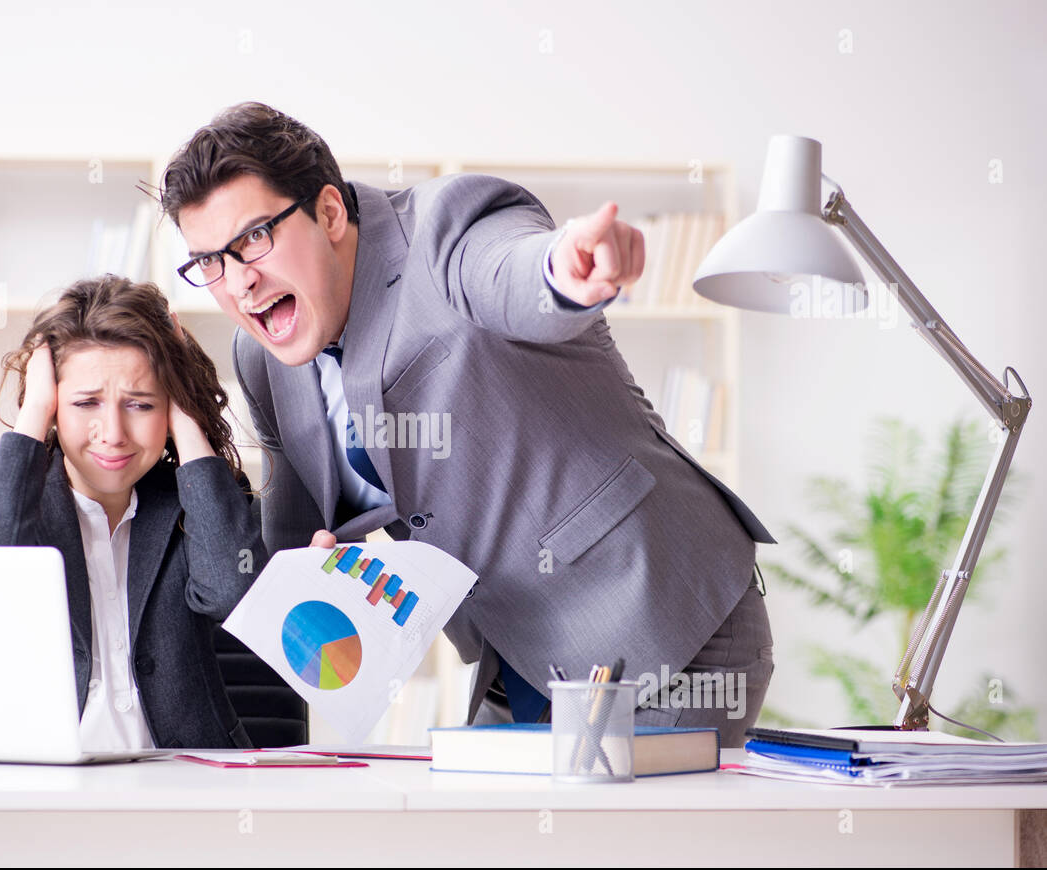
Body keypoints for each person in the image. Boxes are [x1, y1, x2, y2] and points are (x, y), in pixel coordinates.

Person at [159, 102, 775, 747]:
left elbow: (515, 274)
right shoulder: (261, 358)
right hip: (517, 657)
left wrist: (566, 272)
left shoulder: (446, 230)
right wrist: (310, 570)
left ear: (332, 212)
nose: (238, 283)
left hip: (661, 623)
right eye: (209, 262)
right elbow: (289, 540)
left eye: (254, 237)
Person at [0, 275, 267, 750]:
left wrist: (186, 415)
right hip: (43, 782)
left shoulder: (200, 498)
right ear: (56, 406)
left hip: (189, 783)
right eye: (85, 403)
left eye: (140, 404)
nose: (113, 432)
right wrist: (34, 409)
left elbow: (234, 594)